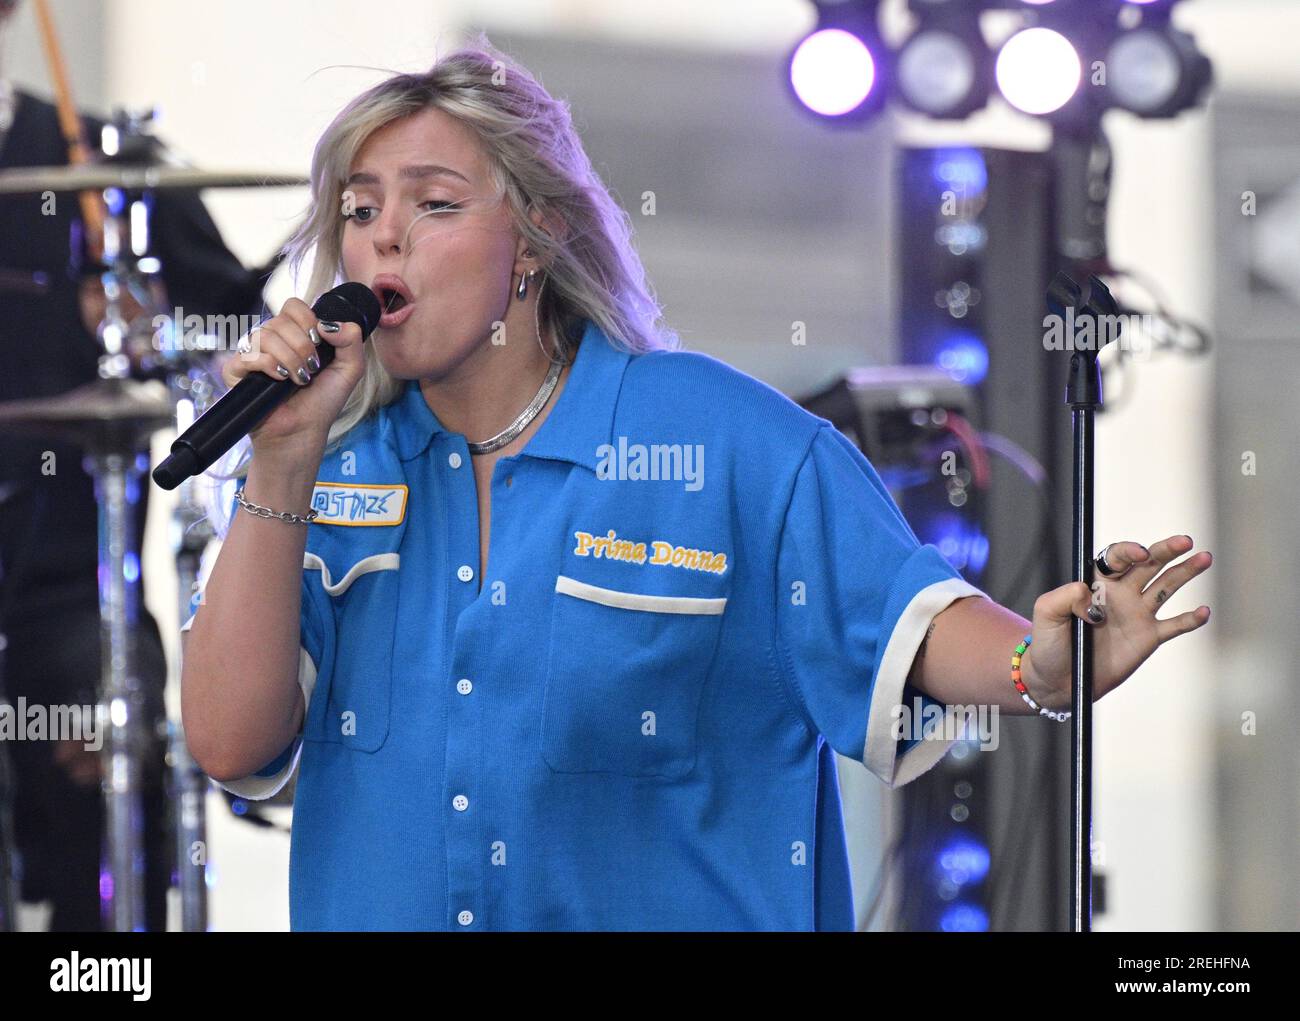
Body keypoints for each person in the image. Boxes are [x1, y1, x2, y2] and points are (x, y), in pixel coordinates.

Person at [180, 35, 1213, 932]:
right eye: (359, 211)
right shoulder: (326, 462)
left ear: (536, 236)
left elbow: (918, 627)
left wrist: (1050, 660)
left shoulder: (721, 439)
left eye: (434, 203)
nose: (383, 237)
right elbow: (231, 743)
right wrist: (276, 460)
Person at [0, 0, 262, 930]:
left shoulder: (100, 168)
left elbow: (244, 335)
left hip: (64, 602)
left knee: (117, 722)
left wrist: (160, 321)